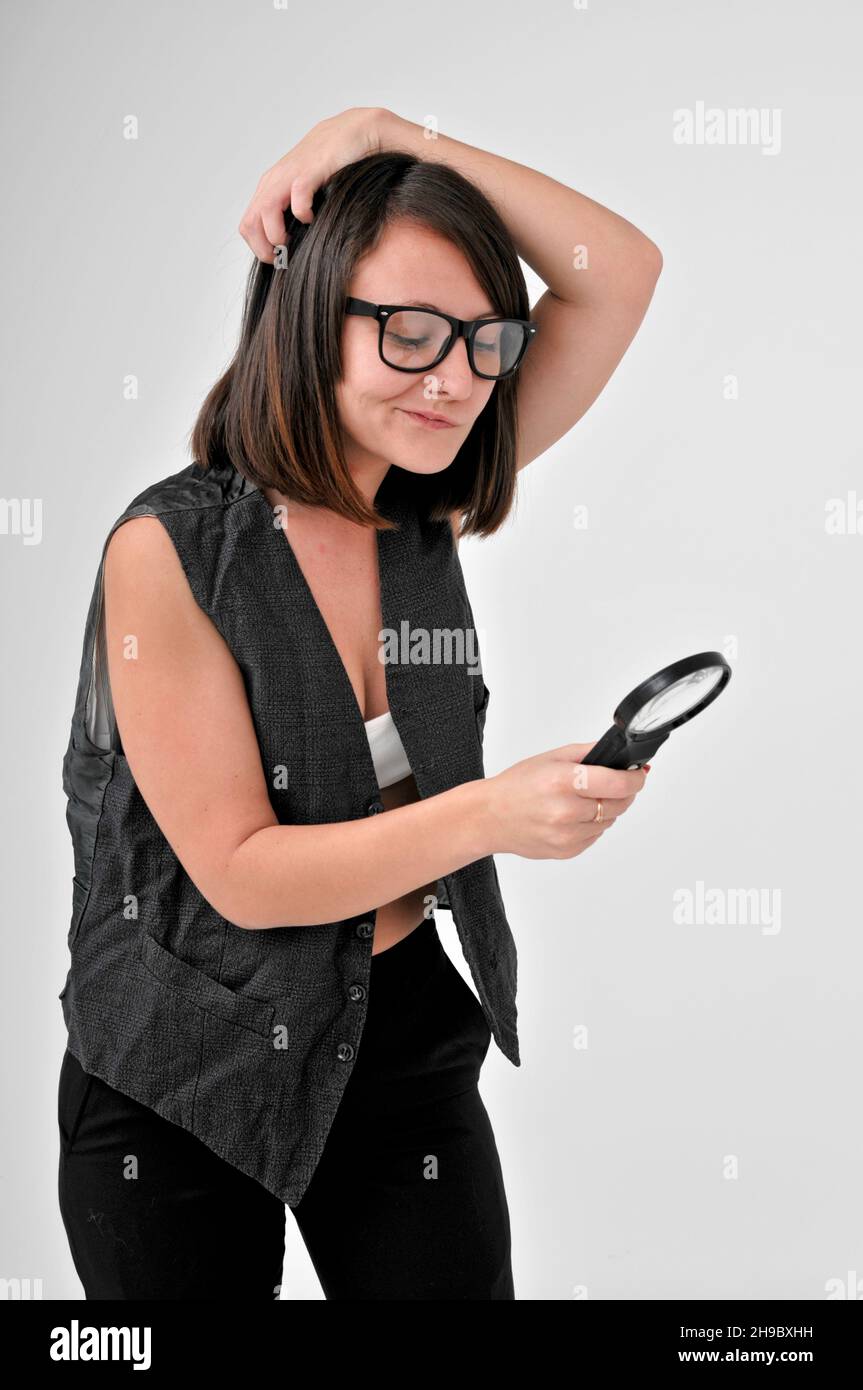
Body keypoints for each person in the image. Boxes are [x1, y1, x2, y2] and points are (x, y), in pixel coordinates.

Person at [57, 106, 661, 1300]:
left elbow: (618, 274)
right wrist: (492, 814)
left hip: (395, 1041)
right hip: (182, 1064)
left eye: (484, 341)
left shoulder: (422, 487)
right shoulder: (169, 550)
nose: (454, 380)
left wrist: (400, 135)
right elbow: (241, 868)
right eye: (408, 332)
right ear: (305, 312)